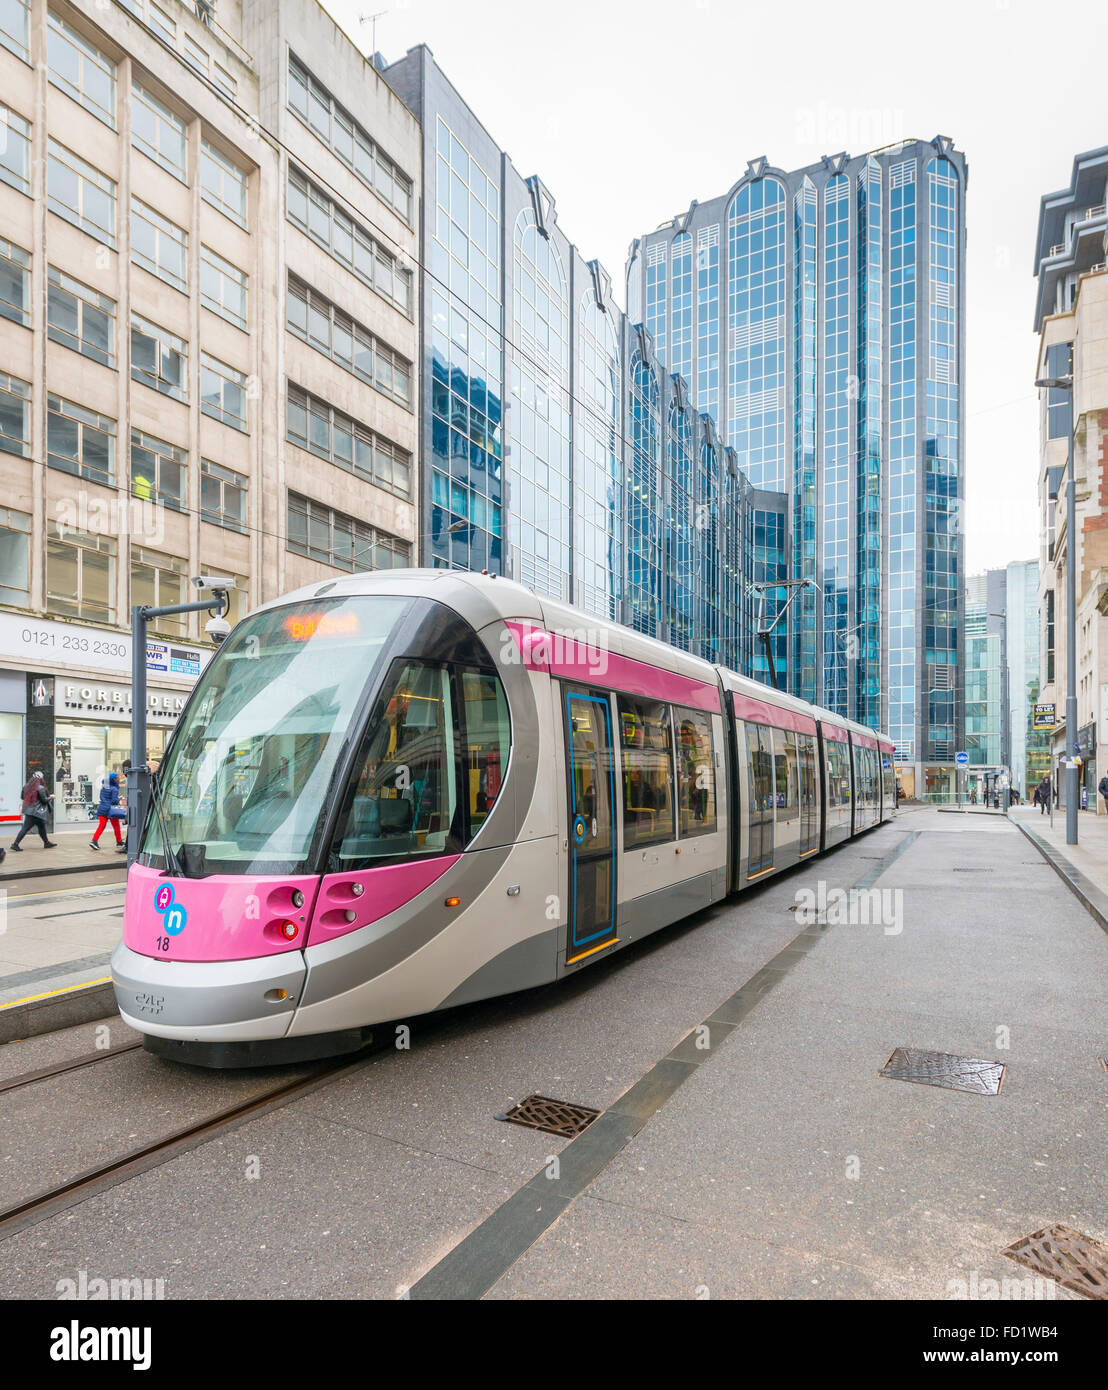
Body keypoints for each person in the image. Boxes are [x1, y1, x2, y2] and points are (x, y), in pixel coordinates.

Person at [11, 773, 56, 849]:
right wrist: (51, 797)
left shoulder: (26, 787)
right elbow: (44, 800)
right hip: (36, 812)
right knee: (26, 828)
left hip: (29, 811)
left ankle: (46, 843)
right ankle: (15, 844)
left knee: (41, 827)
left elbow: (22, 797)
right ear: (40, 779)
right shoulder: (40, 788)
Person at [90, 772, 126, 851]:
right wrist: (119, 798)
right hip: (111, 810)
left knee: (101, 826)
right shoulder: (114, 789)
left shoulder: (104, 787)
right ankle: (119, 841)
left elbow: (105, 798)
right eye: (118, 777)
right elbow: (114, 801)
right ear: (114, 780)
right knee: (116, 826)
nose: (119, 779)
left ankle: (94, 841)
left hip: (102, 809)